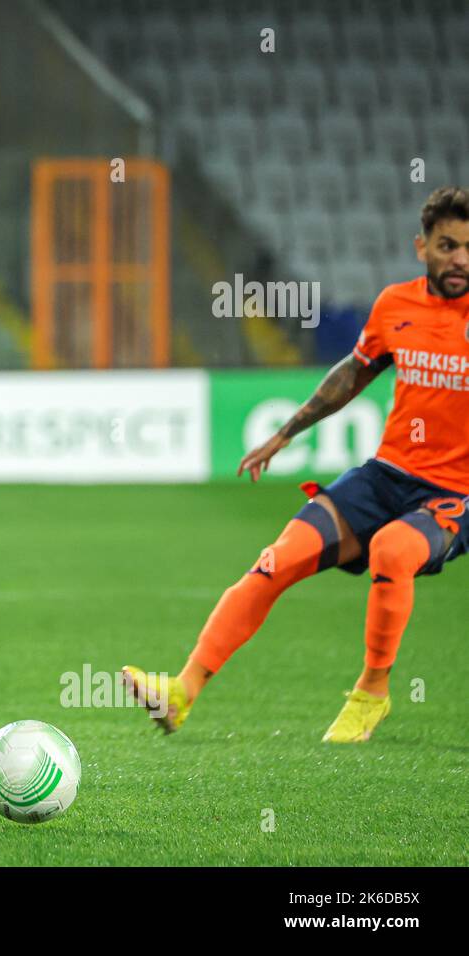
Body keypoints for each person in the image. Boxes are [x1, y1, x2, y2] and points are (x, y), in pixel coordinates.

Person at [122, 187, 469, 743]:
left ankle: (371, 693)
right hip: (385, 475)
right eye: (448, 245)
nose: (460, 259)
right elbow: (352, 374)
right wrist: (285, 432)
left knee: (392, 549)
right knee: (277, 560)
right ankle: (182, 691)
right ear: (421, 246)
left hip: (453, 494)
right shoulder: (395, 306)